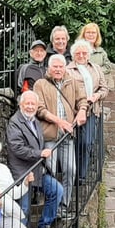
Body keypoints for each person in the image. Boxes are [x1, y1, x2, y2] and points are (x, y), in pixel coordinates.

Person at [5, 90, 63, 228]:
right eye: (27, 103)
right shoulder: (15, 122)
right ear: (20, 104)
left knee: (57, 190)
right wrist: (39, 153)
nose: (30, 106)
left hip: (37, 170)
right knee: (23, 209)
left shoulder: (35, 122)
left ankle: (43, 227)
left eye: (33, 104)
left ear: (37, 106)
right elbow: (16, 148)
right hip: (23, 173)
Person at [34, 55, 86, 216]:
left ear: (65, 68)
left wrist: (83, 110)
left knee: (70, 170)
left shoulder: (73, 83)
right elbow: (39, 109)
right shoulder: (40, 84)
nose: (57, 69)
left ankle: (63, 206)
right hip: (49, 136)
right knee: (49, 171)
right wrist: (60, 122)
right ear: (49, 68)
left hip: (67, 136)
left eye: (60, 66)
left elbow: (82, 100)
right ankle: (50, 205)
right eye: (54, 66)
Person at [68, 39, 109, 182]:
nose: (81, 55)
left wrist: (97, 95)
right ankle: (75, 175)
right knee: (76, 142)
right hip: (75, 111)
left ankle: (81, 175)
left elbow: (105, 88)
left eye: (84, 53)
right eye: (78, 53)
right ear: (73, 55)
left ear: (89, 54)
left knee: (87, 142)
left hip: (92, 110)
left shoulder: (96, 68)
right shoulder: (68, 70)